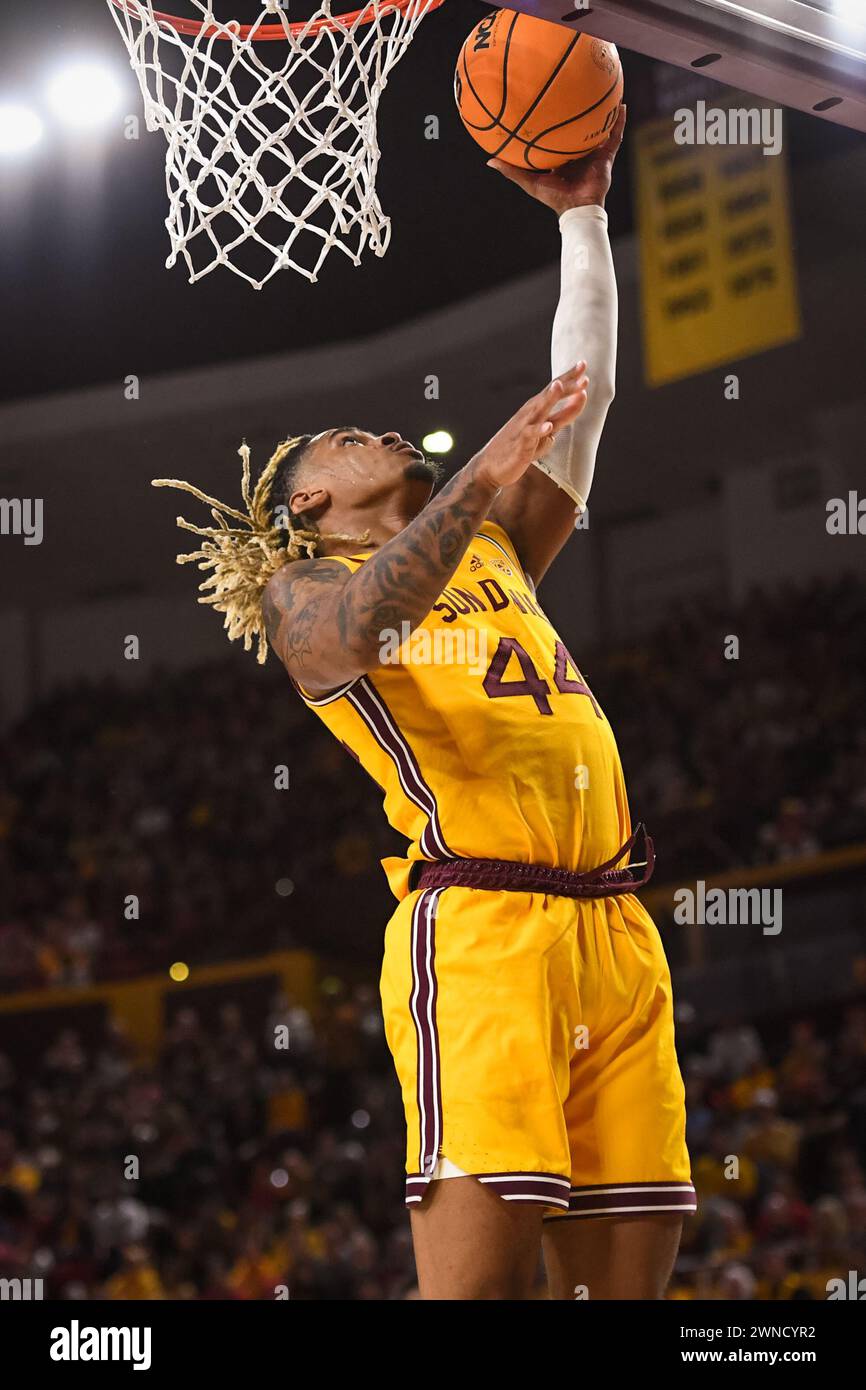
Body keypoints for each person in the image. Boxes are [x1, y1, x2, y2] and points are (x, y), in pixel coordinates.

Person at [154, 105, 695, 1300]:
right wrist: (481, 470)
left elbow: (582, 390)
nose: (368, 431)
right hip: (482, 930)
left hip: (609, 923)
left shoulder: (495, 545)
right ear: (302, 508)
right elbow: (360, 633)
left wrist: (583, 218)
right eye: (336, 443)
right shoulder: (310, 591)